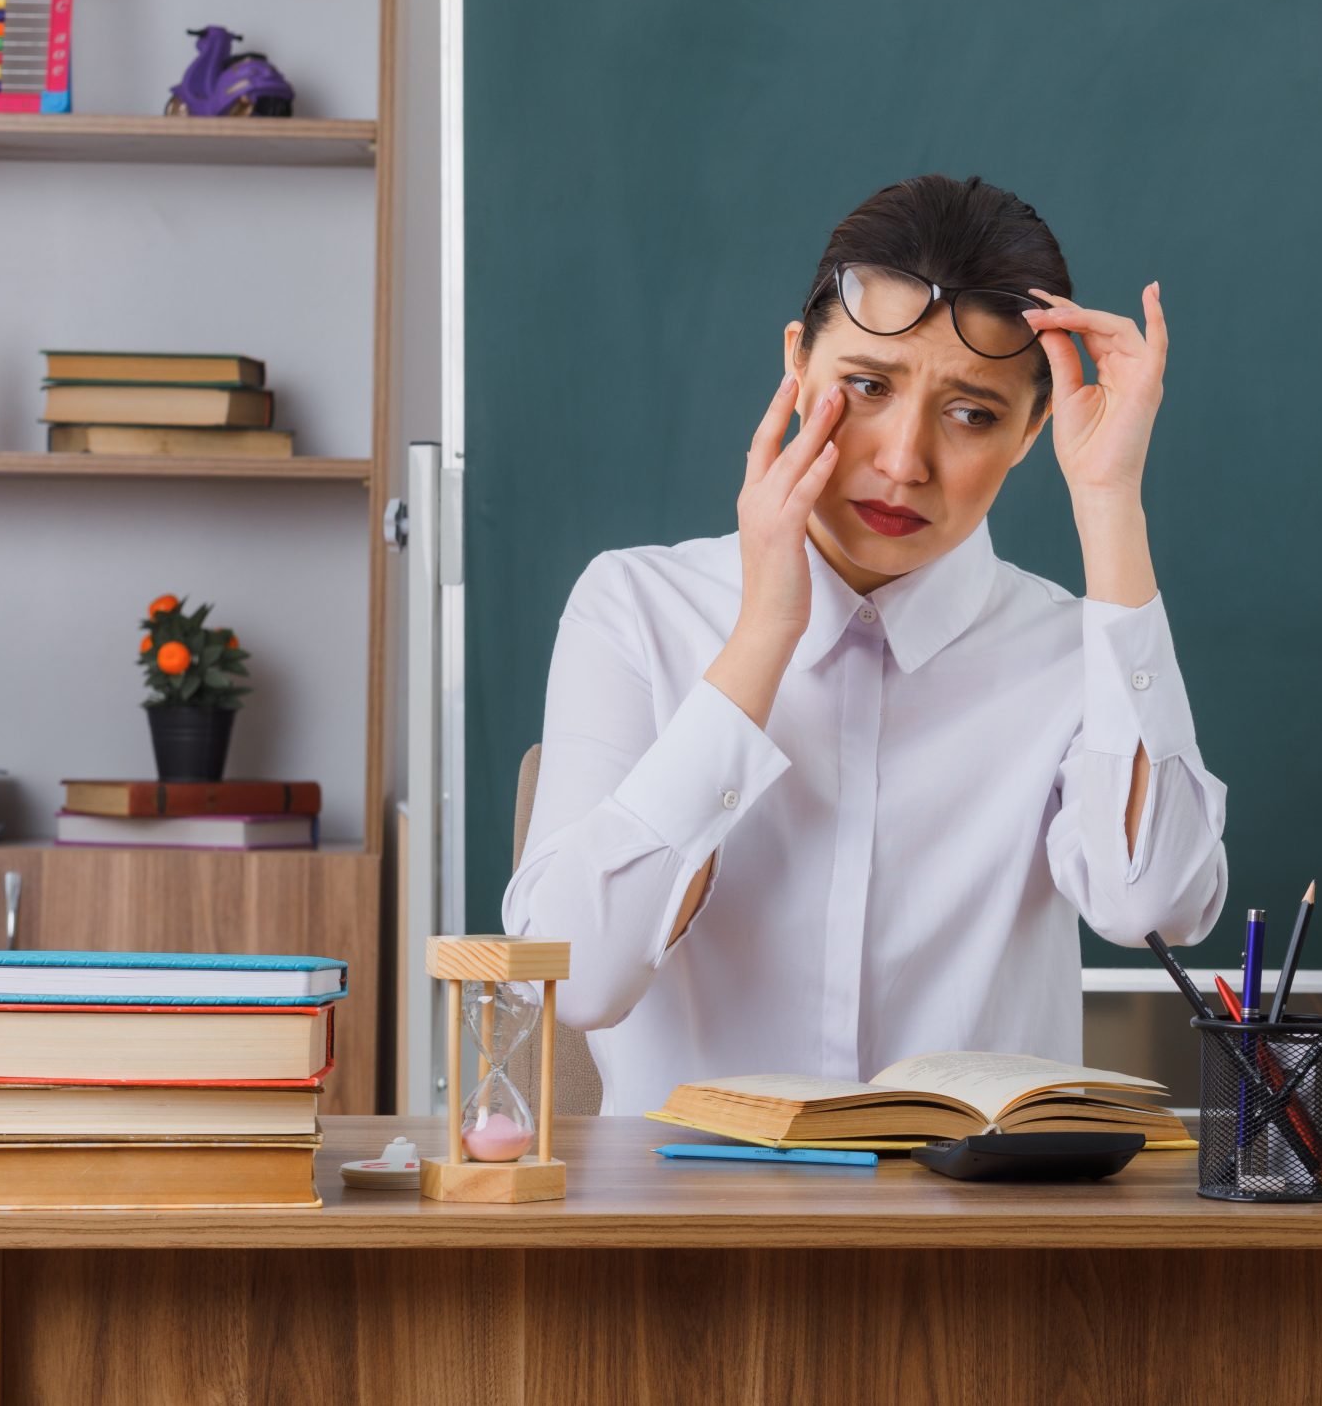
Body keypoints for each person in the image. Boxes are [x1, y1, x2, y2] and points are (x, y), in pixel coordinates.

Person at [503, 173, 1228, 1115]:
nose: (902, 459)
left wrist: (1109, 501)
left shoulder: (1066, 649)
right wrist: (764, 633)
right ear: (797, 362)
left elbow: (1154, 904)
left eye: (972, 413)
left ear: (1033, 425)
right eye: (868, 386)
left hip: (970, 1237)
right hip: (691, 1228)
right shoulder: (637, 605)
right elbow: (572, 978)